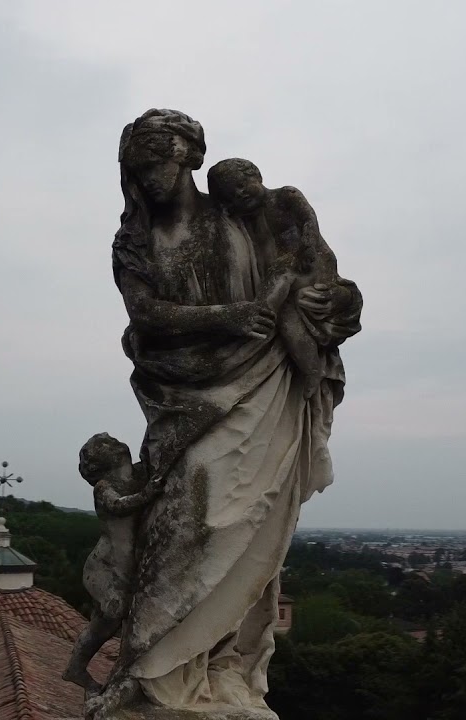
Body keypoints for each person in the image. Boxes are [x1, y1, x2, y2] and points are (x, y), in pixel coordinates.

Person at [87, 108, 363, 719]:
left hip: (266, 385)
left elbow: (322, 279)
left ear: (187, 155)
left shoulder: (245, 214)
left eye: (156, 163)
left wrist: (334, 304)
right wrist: (229, 317)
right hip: (184, 396)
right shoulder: (134, 240)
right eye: (137, 169)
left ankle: (218, 668)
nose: (148, 179)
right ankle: (153, 669)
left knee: (248, 526)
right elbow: (145, 313)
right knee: (186, 522)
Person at [207, 157, 339, 398]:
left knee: (280, 270)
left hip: (312, 264)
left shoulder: (285, 196)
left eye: (241, 185)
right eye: (232, 195)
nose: (240, 194)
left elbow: (308, 219)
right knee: (287, 321)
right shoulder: (244, 220)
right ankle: (311, 370)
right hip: (286, 281)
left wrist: (308, 245)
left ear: (256, 175)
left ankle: (259, 313)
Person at [63, 433, 162, 693]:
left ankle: (80, 667)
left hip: (123, 565)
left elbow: (149, 454)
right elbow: (118, 506)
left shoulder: (135, 474)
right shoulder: (104, 486)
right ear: (98, 462)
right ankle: (76, 667)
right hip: (105, 566)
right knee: (111, 617)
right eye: (104, 443)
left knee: (113, 619)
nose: (112, 439)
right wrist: (147, 494)